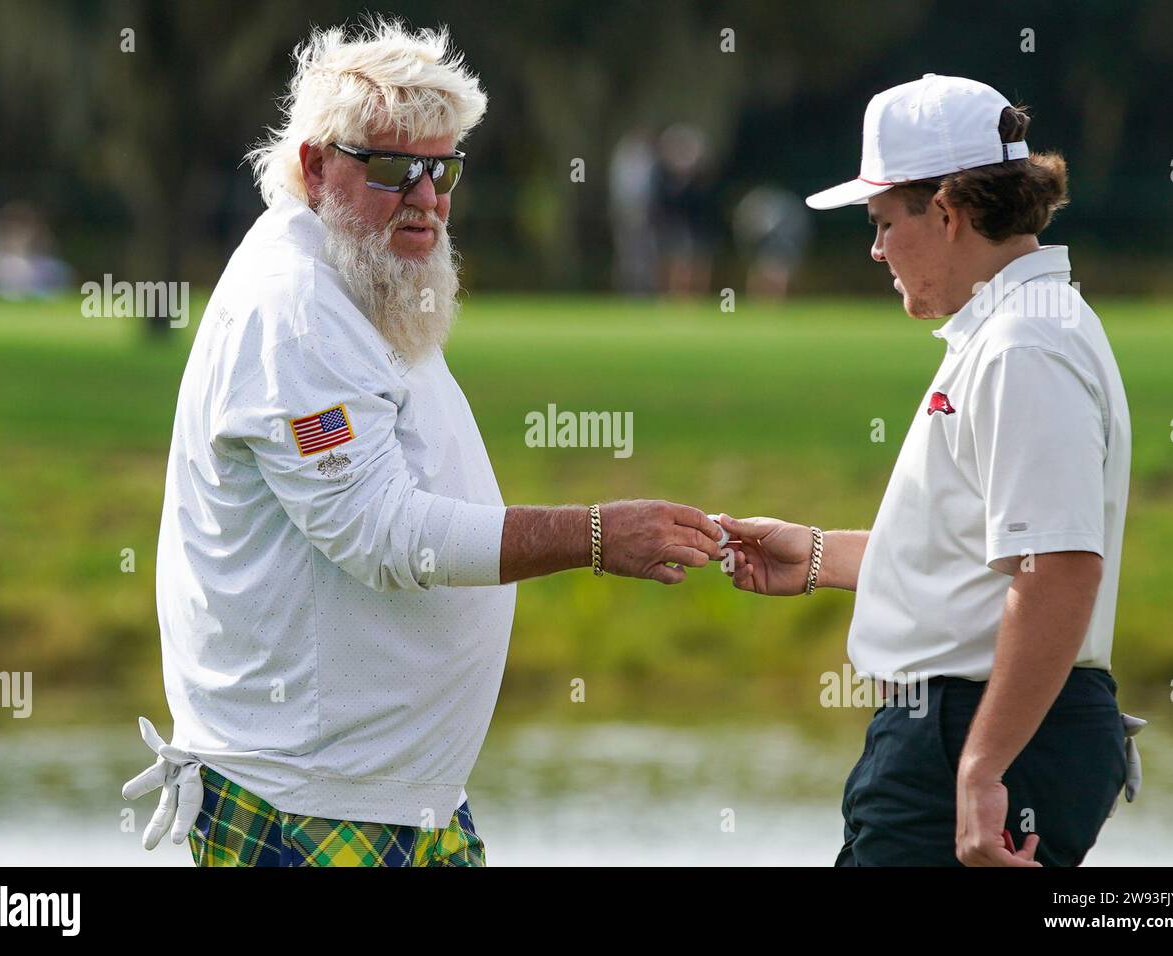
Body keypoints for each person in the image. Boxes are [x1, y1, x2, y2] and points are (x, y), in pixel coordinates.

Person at [122, 19, 723, 867]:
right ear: (314, 167)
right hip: (307, 800)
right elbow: (381, 533)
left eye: (444, 168)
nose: (427, 195)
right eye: (394, 167)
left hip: (395, 796)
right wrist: (594, 535)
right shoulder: (295, 314)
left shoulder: (361, 276)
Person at [720, 75, 1140, 866]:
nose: (875, 249)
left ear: (946, 212)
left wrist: (982, 771)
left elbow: (1058, 570)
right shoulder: (1014, 329)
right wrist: (814, 555)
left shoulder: (1024, 344)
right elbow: (977, 560)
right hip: (974, 729)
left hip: (974, 733)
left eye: (882, 223)